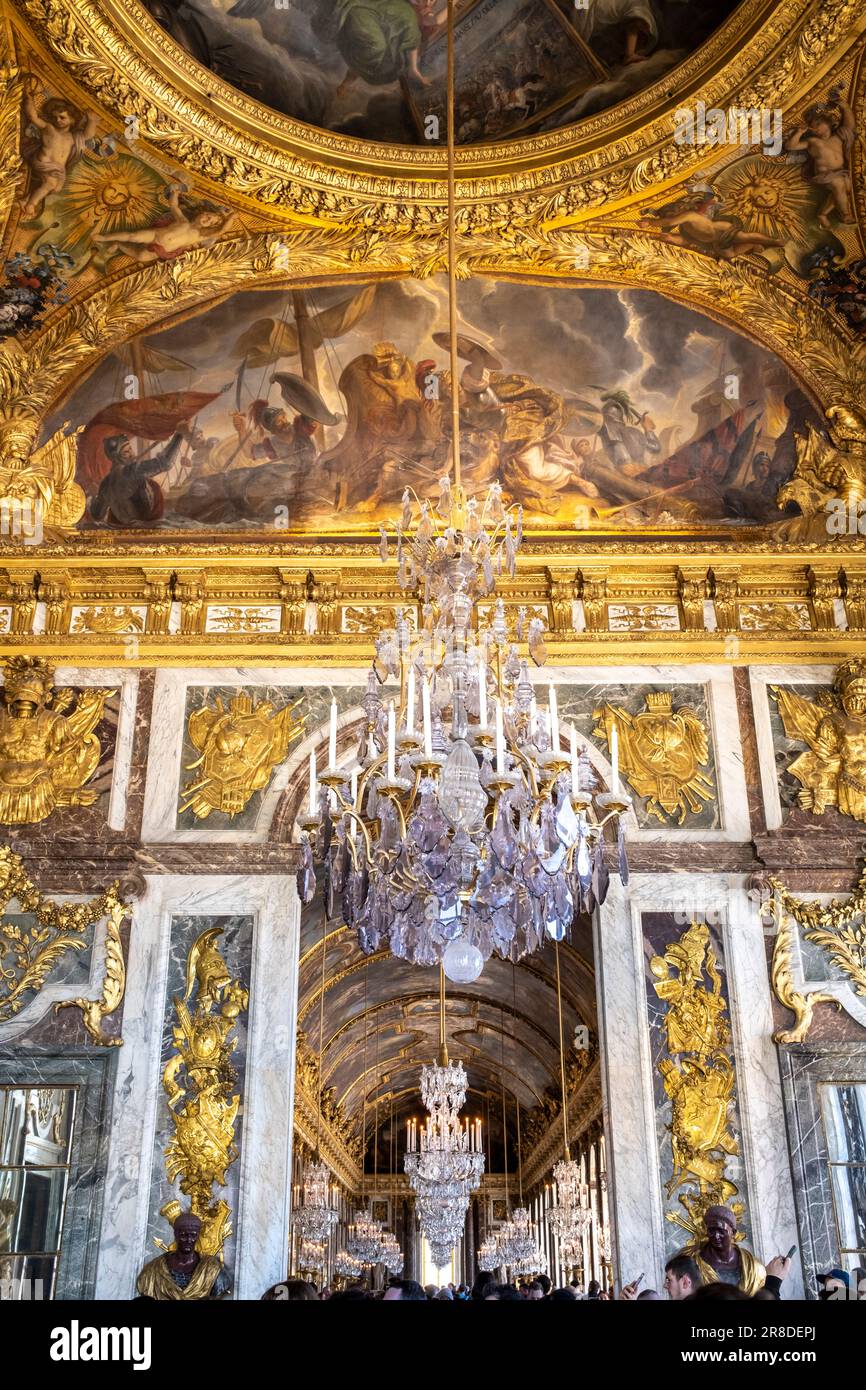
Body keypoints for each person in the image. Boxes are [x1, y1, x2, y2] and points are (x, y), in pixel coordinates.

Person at [89, 428, 188, 526]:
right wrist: (179, 435)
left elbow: (97, 515)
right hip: (144, 526)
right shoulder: (132, 471)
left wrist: (93, 497)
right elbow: (166, 463)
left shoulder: (105, 483)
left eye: (130, 449)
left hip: (123, 527)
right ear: (116, 457)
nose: (133, 454)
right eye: (126, 452)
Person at [135, 1211, 231, 1300]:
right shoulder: (153, 1271)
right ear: (176, 1235)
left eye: (193, 1235)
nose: (189, 1240)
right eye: (184, 1235)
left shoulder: (211, 1269)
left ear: (197, 1236)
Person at [675, 1205, 766, 1294]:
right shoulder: (689, 1260)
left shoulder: (754, 1268)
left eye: (721, 1231)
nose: (716, 1236)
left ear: (733, 1233)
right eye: (711, 1231)